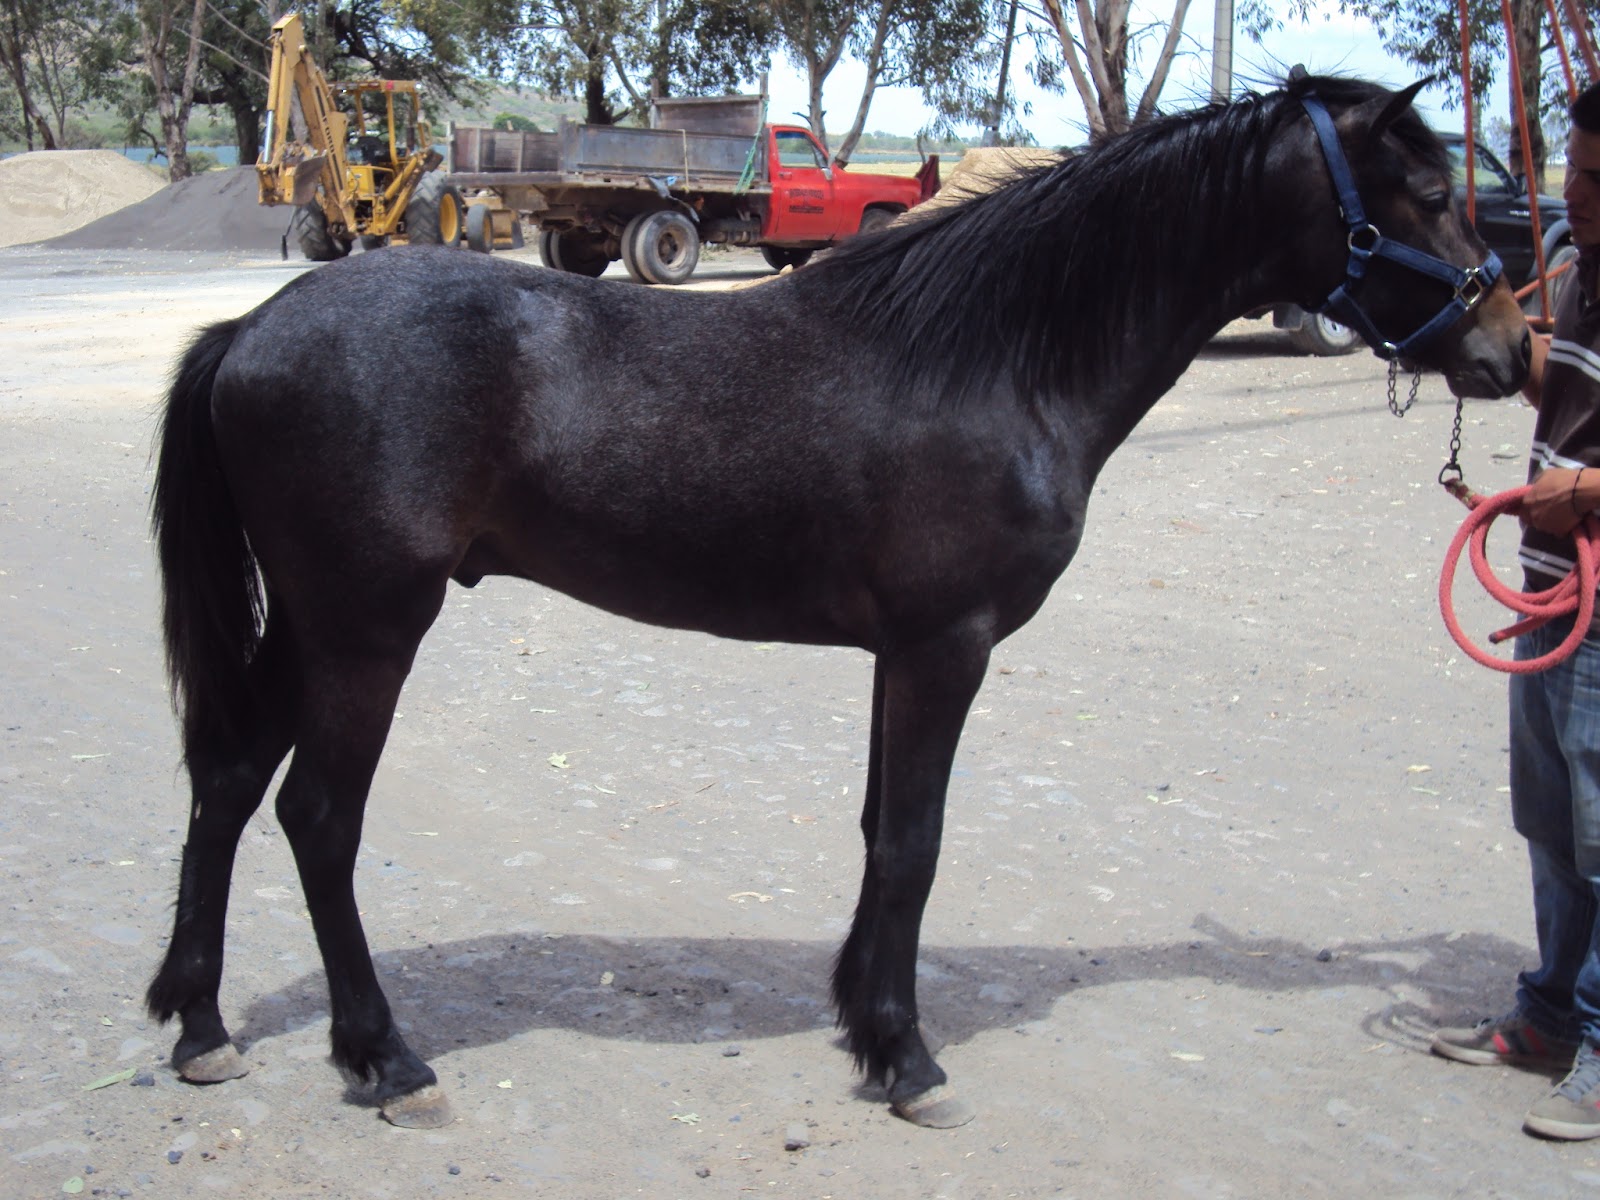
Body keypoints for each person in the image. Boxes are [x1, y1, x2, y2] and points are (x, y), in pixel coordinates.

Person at [1430, 79, 1600, 1141]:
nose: (1576, 195)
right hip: (1544, 590)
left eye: (1596, 181)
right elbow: (1562, 387)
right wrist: (1471, 342)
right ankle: (1547, 1016)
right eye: (1574, 174)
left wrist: (1584, 492)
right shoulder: (1581, 275)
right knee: (1549, 820)